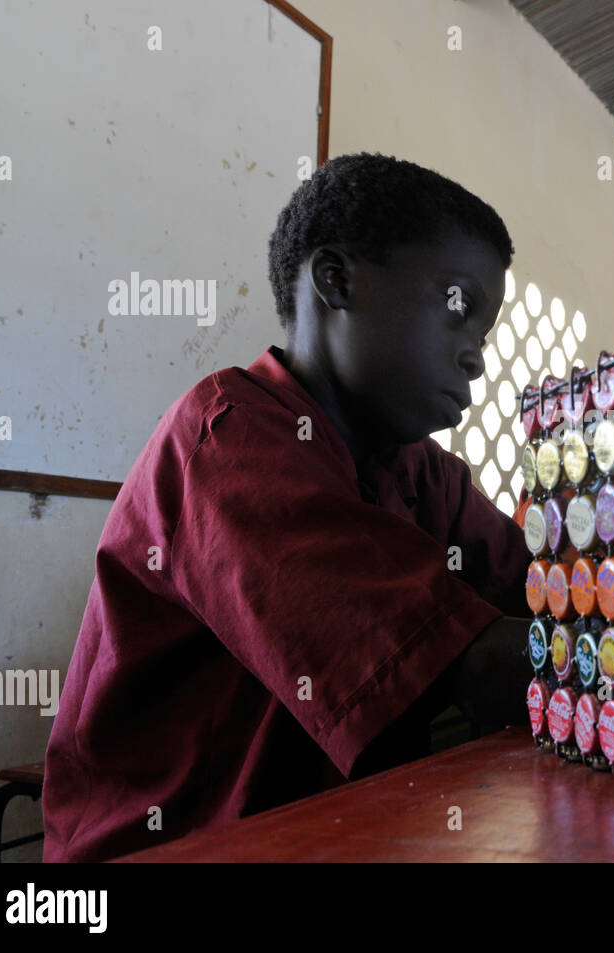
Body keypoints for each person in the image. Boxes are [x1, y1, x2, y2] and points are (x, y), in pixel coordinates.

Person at [42, 153, 533, 862]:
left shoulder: (423, 472)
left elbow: (554, 600)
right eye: (457, 307)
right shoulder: (229, 437)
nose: (476, 359)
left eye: (483, 334)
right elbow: (484, 666)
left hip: (339, 833)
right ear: (336, 280)